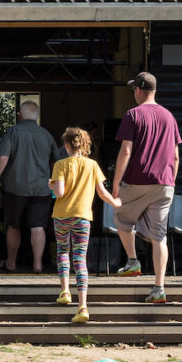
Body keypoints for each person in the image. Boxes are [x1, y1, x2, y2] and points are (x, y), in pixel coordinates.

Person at [111, 71, 181, 305]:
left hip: (137, 180)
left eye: (134, 89)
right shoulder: (169, 117)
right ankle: (159, 288)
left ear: (139, 90)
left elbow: (126, 151)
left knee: (121, 216)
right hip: (165, 183)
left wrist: (116, 184)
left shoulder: (132, 115)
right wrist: (170, 182)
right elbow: (176, 156)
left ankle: (132, 261)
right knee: (159, 236)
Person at [49, 126, 118, 325]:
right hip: (82, 217)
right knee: (80, 258)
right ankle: (83, 306)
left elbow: (59, 193)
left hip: (61, 216)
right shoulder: (92, 165)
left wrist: (51, 186)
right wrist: (116, 203)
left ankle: (64, 291)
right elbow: (103, 194)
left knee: (63, 251)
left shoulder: (60, 165)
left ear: (66, 145)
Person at [0, 101, 57, 273]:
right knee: (38, 225)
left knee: (13, 225)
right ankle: (37, 264)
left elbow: (3, 157)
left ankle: (11, 263)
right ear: (36, 117)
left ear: (20, 115)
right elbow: (56, 161)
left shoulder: (12, 132)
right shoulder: (46, 135)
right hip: (42, 189)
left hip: (15, 188)